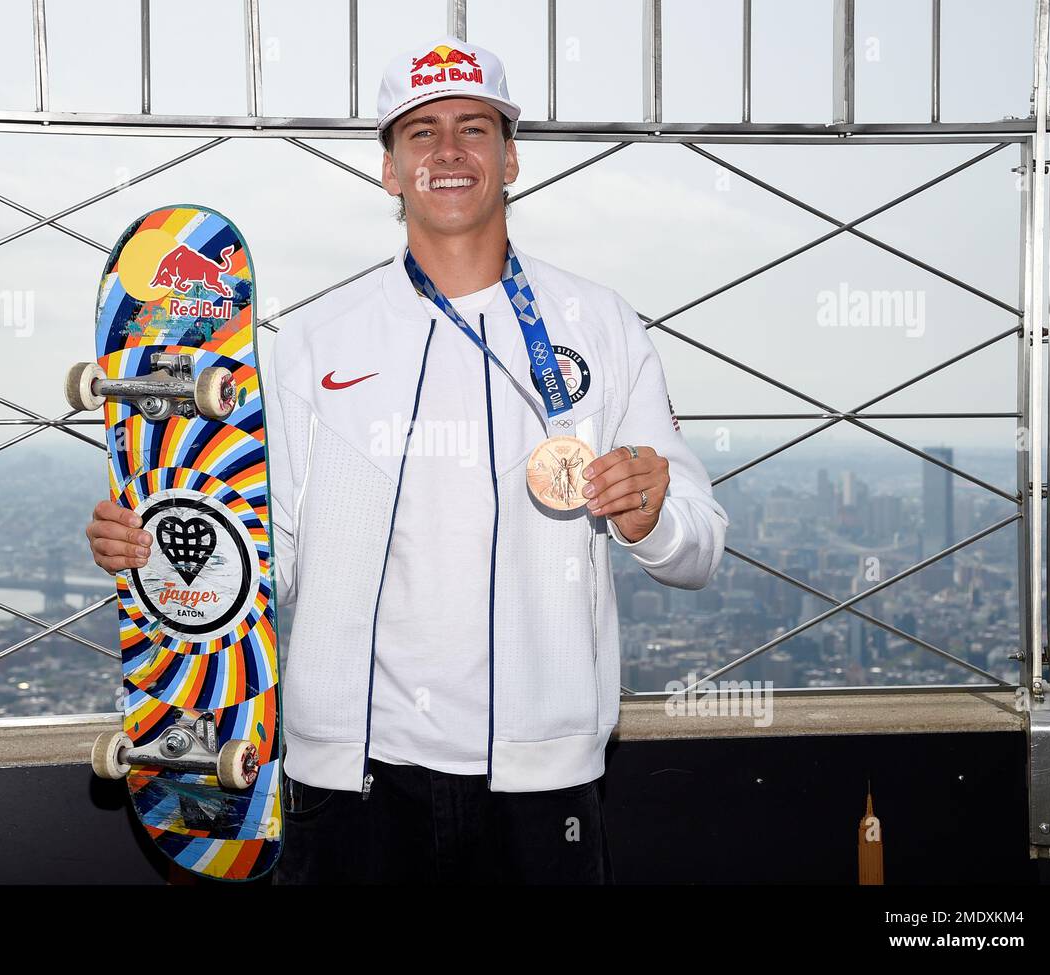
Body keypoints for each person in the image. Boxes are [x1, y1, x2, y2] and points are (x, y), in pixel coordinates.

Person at [85, 35, 728, 884]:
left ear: (510, 157)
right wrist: (162, 547)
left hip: (543, 780)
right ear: (390, 169)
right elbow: (263, 551)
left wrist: (653, 517)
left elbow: (701, 543)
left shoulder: (601, 324)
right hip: (347, 778)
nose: (450, 150)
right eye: (421, 132)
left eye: (474, 127)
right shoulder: (317, 335)